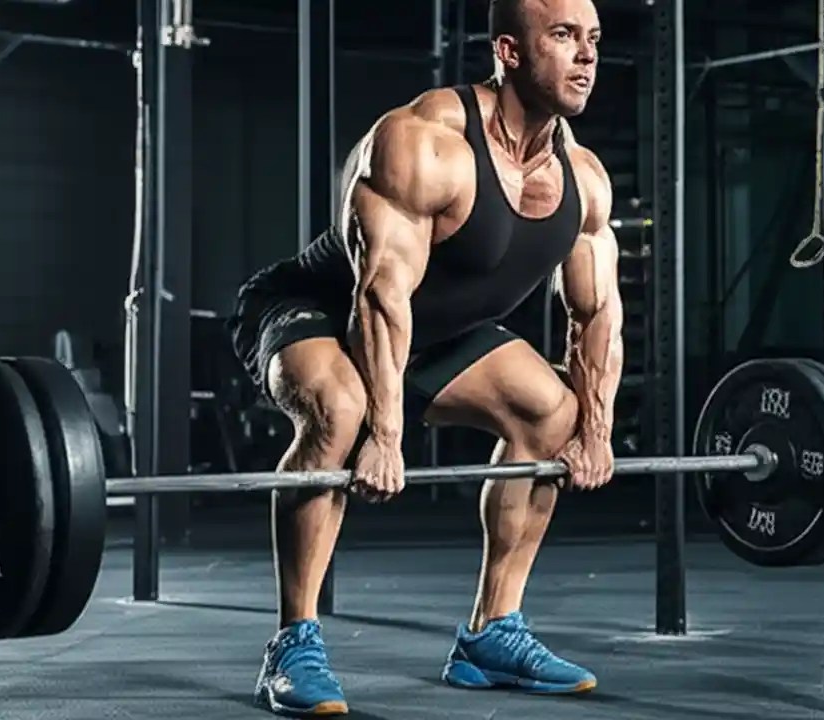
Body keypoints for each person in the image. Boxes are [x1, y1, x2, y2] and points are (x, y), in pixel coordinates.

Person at [226, 0, 620, 715]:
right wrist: (385, 432)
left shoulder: (584, 180)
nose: (587, 56)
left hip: (436, 334)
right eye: (563, 37)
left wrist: (595, 430)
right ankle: (293, 639)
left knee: (552, 411)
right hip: (314, 310)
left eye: (592, 39)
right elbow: (378, 296)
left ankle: (491, 632)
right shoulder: (426, 143)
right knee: (340, 410)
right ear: (508, 51)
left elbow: (596, 316)